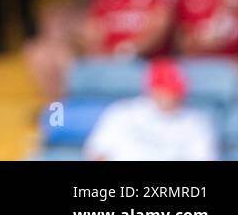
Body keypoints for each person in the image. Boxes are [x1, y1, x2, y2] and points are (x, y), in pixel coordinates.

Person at [84, 59, 218, 161]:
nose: (170, 95)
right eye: (165, 88)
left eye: (174, 90)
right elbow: (97, 153)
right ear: (152, 89)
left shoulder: (196, 122)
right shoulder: (122, 111)